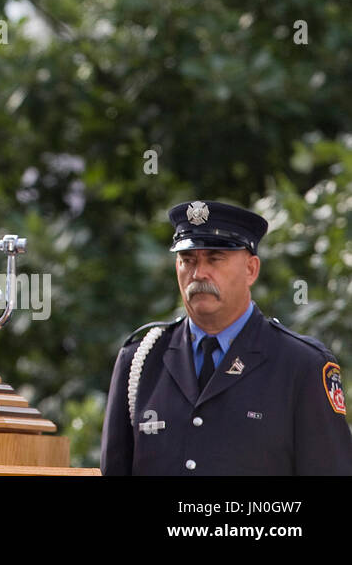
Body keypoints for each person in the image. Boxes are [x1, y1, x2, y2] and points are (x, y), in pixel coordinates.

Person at [100, 200, 352, 475]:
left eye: (215, 259)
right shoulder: (142, 360)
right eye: (188, 260)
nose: (199, 274)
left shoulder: (300, 365)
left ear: (251, 270)